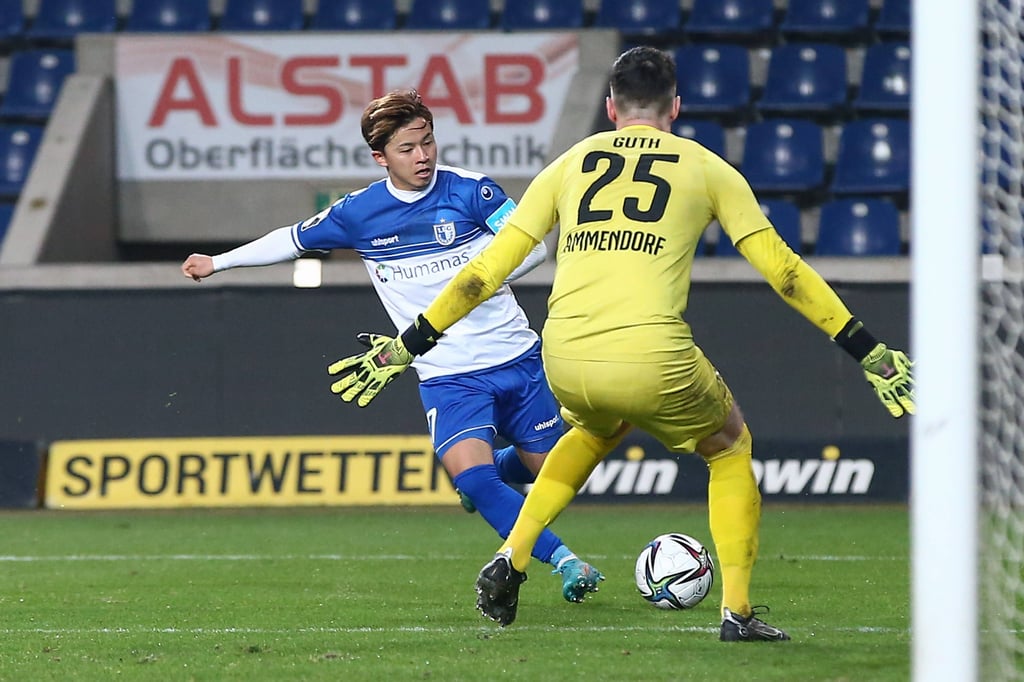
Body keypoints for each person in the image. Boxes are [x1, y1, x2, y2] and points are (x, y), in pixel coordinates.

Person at [327, 48, 916, 641]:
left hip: (563, 354)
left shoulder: (567, 164)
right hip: (650, 352)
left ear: (610, 108)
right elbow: (785, 272)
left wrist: (409, 345)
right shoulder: (708, 168)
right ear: (676, 107)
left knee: (593, 429)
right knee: (730, 446)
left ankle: (514, 557)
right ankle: (737, 614)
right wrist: (868, 349)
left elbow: (483, 273)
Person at [180, 88, 605, 605]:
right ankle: (565, 561)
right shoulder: (360, 213)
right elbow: (288, 239)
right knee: (474, 481)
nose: (423, 156)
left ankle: (505, 464)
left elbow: (534, 250)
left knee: (556, 479)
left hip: (517, 358)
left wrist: (469, 279)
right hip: (448, 375)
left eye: (428, 142)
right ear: (380, 157)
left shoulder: (475, 192)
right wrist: (218, 261)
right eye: (408, 148)